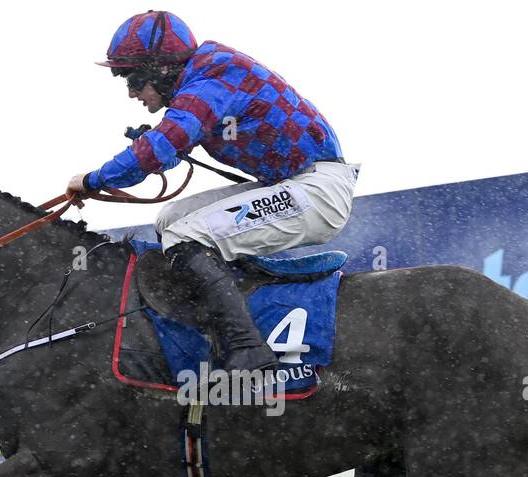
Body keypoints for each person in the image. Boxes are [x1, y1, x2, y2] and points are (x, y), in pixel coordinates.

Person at [67, 10, 359, 374]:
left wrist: (93, 179)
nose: (130, 92)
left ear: (160, 68)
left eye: (132, 78)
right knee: (170, 219)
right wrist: (143, 152)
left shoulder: (212, 77)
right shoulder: (201, 82)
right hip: (292, 184)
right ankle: (226, 315)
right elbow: (169, 154)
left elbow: (158, 149)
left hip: (317, 192)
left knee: (185, 235)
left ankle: (247, 347)